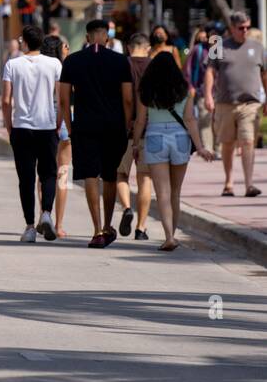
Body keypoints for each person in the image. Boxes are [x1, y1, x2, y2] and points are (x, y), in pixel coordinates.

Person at [59, 19, 134, 247]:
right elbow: (128, 99)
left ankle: (97, 228)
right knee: (110, 175)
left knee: (90, 175)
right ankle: (108, 224)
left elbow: (63, 99)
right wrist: (127, 125)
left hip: (84, 125)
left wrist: (70, 127)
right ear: (107, 38)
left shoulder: (72, 61)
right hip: (114, 127)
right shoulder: (120, 61)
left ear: (88, 37)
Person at [133, 52, 216, 250]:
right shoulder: (184, 89)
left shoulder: (146, 89)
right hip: (180, 138)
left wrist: (136, 143)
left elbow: (140, 120)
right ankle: (173, 233)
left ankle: (168, 235)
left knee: (162, 192)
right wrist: (201, 146)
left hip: (155, 137)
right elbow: (189, 119)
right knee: (175, 192)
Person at [2, 25, 61, 242]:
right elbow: (61, 98)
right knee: (48, 174)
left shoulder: (12, 64)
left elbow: (6, 100)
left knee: (25, 178)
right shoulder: (54, 63)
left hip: (22, 127)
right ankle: (46, 213)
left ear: (24, 42)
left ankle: (29, 227)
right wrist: (59, 121)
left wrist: (9, 126)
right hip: (47, 125)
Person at [202, 10, 267, 197]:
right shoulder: (218, 46)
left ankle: (249, 184)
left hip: (250, 104)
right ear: (232, 28)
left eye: (247, 27)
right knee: (228, 144)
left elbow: (264, 74)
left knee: (247, 141)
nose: (245, 31)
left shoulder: (258, 47)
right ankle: (228, 182)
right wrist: (208, 95)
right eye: (241, 28)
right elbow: (210, 72)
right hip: (225, 103)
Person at [116, 33, 153, 240]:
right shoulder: (153, 66)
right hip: (149, 128)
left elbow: (124, 98)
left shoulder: (122, 64)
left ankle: (127, 207)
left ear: (129, 48)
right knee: (145, 178)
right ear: (147, 48)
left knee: (121, 174)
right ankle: (141, 227)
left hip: (124, 129)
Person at [42, 35, 73, 238]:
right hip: (61, 119)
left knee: (44, 173)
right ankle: (59, 224)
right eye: (66, 46)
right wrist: (63, 122)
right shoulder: (62, 68)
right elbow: (63, 99)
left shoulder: (40, 65)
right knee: (62, 172)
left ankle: (45, 216)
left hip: (42, 119)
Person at [186, 26, 215, 156]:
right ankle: (208, 149)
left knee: (217, 121)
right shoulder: (197, 50)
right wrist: (190, 86)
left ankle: (218, 148)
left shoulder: (218, 51)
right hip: (201, 91)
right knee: (205, 120)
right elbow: (187, 70)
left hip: (219, 93)